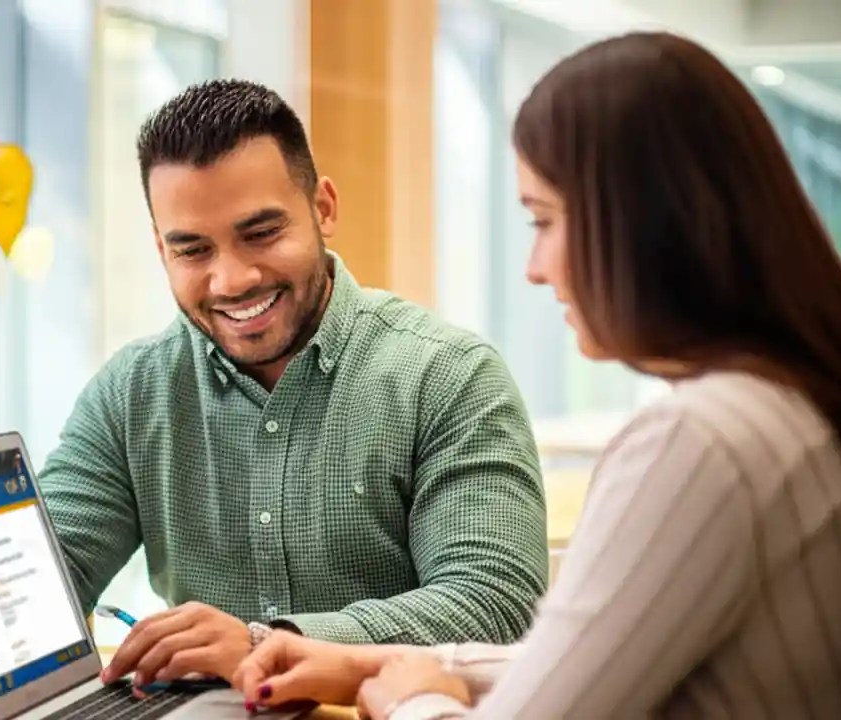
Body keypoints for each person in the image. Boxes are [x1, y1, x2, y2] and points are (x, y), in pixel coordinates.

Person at [232, 31, 841, 719]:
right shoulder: (788, 403)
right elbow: (592, 649)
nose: (535, 267)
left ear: (644, 226)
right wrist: (380, 662)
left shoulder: (700, 440)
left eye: (545, 221)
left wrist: (415, 704)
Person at [38, 78, 548, 691]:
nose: (231, 279)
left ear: (323, 208)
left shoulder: (449, 375)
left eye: (261, 234)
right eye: (193, 250)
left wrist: (264, 645)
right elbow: (49, 577)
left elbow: (495, 607)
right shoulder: (130, 393)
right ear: (161, 250)